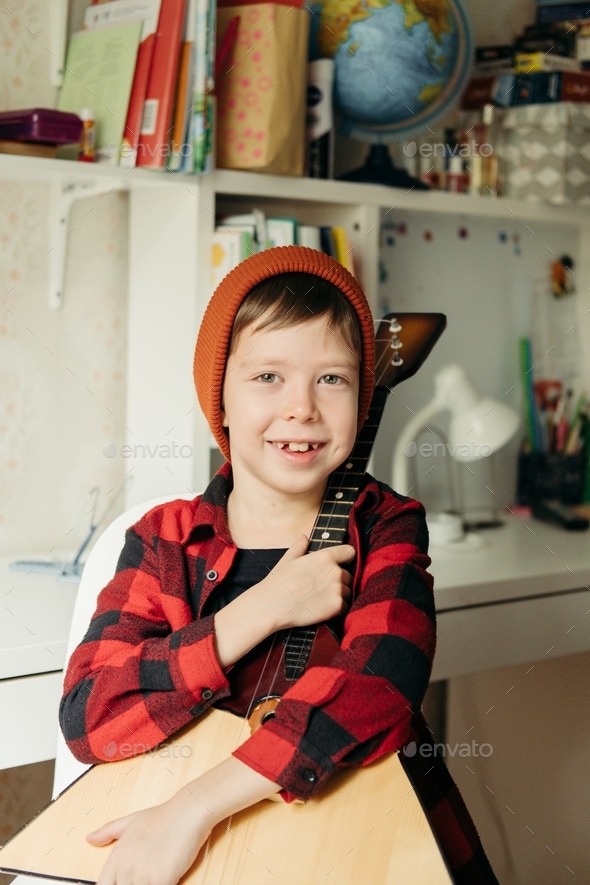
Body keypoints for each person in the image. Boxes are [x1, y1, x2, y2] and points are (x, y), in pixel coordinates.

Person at [59, 246, 498, 885]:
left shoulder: (386, 524)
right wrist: (263, 608)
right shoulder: (164, 540)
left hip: (357, 846)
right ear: (222, 399)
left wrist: (194, 808)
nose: (302, 408)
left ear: (363, 392)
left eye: (333, 378)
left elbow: (383, 684)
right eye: (268, 377)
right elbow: (90, 717)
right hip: (211, 855)